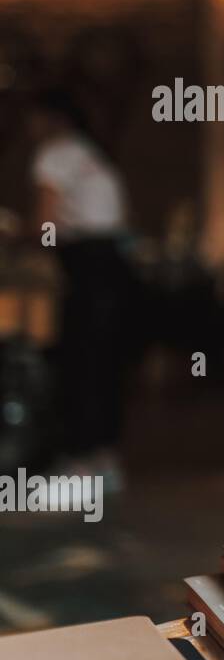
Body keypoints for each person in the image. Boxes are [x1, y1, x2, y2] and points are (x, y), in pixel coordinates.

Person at [25, 88, 133, 491]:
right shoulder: (92, 155)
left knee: (77, 359)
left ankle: (79, 467)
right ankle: (104, 463)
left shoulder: (53, 155)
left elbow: (45, 225)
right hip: (117, 263)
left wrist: (27, 243)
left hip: (86, 263)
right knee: (104, 361)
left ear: (49, 119)